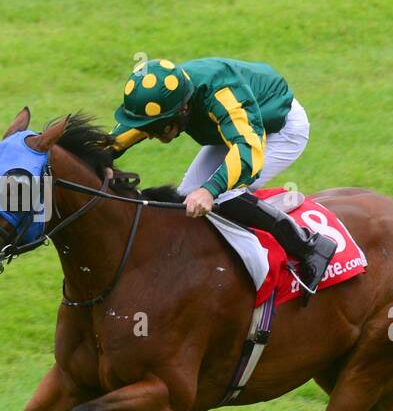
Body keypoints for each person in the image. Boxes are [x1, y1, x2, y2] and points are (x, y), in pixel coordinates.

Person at [110, 57, 336, 294]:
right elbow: (119, 136)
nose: (151, 135)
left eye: (157, 128)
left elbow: (248, 151)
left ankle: (310, 247)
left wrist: (210, 189)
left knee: (222, 195)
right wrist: (101, 158)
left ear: (183, 109)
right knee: (187, 197)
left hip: (278, 131)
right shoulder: (169, 99)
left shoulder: (222, 96)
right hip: (231, 130)